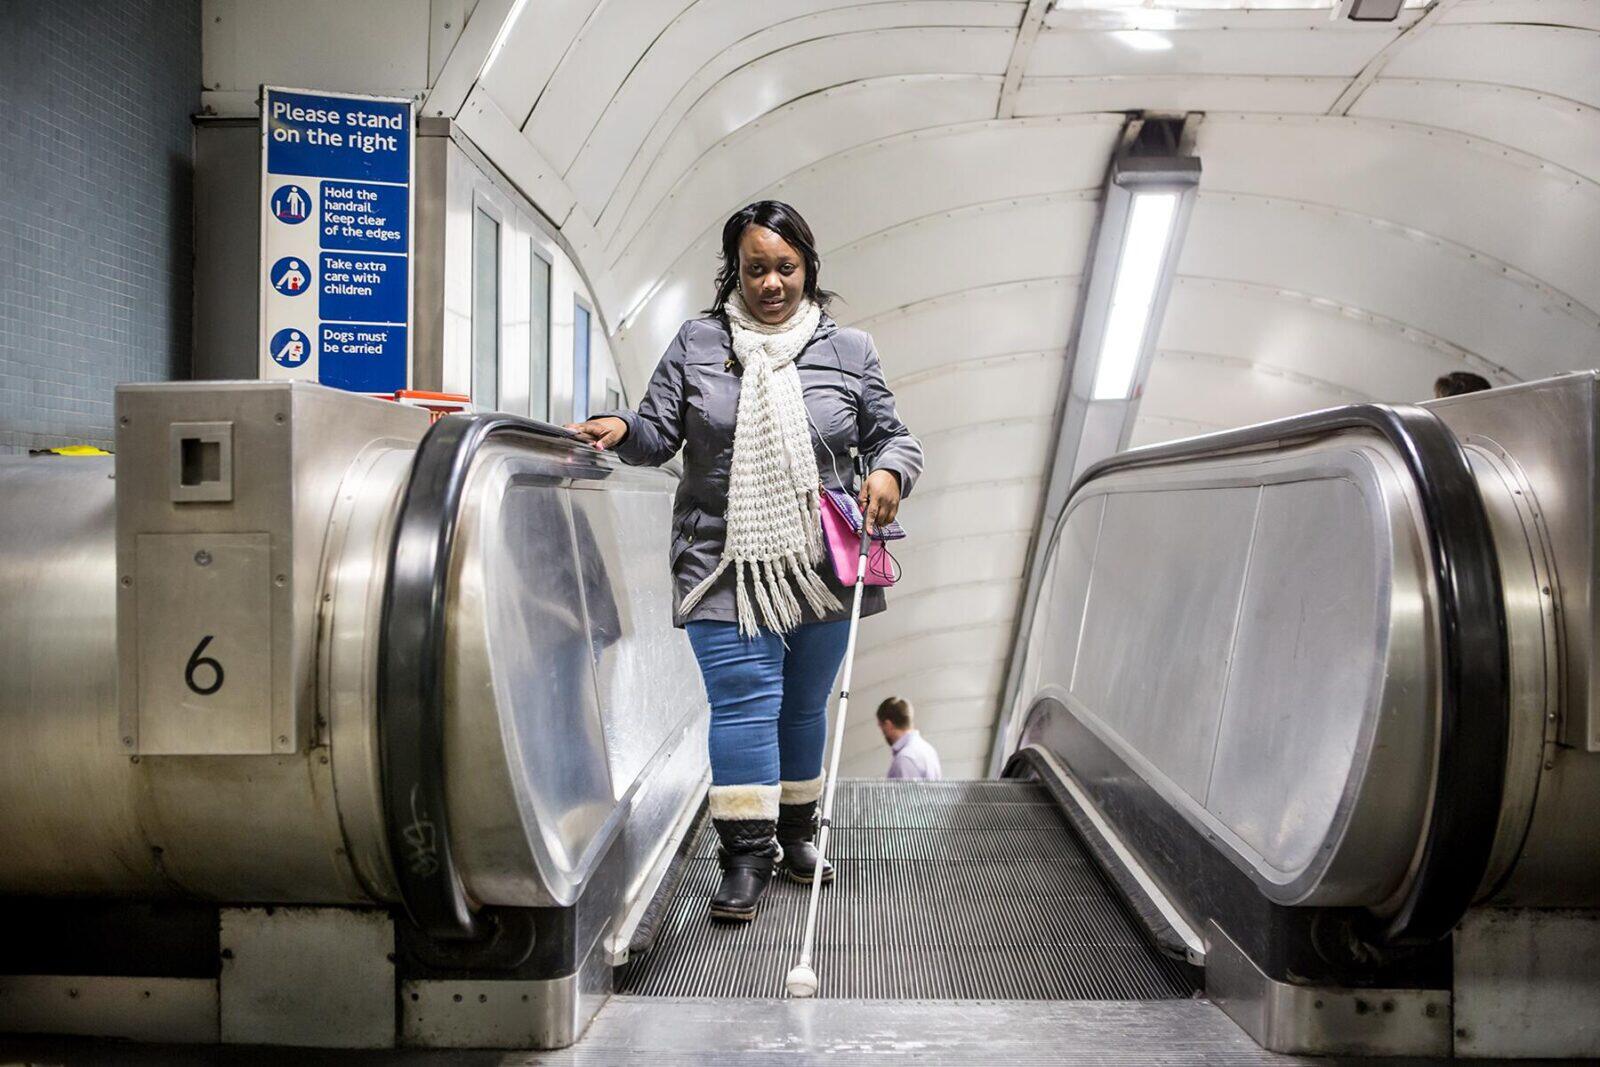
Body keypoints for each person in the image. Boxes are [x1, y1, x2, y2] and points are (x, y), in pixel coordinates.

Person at [566, 200, 923, 922]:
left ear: (808, 268)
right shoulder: (698, 343)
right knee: (744, 700)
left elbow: (893, 437)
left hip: (819, 564)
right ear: (736, 270)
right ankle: (745, 857)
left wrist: (889, 472)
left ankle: (797, 834)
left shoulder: (850, 350)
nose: (771, 283)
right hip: (721, 557)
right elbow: (658, 430)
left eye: (784, 268)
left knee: (803, 704)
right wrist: (622, 427)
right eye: (756, 269)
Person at [876, 697, 942, 781]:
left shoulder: (904, 759)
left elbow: (906, 790)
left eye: (881, 726)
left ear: (888, 725)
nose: (882, 732)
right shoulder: (929, 749)